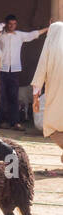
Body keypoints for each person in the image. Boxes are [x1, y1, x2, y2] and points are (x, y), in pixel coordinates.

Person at [0, 13, 46, 130]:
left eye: (14, 24)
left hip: (14, 70)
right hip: (2, 70)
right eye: (10, 24)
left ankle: (15, 122)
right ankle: (1, 121)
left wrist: (48, 28)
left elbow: (33, 34)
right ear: (6, 24)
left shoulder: (19, 35)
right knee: (2, 96)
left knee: (14, 96)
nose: (12, 26)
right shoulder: (0, 36)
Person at [30, 22, 63, 157]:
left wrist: (35, 98)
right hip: (56, 94)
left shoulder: (50, 46)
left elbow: (40, 71)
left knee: (50, 125)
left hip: (55, 95)